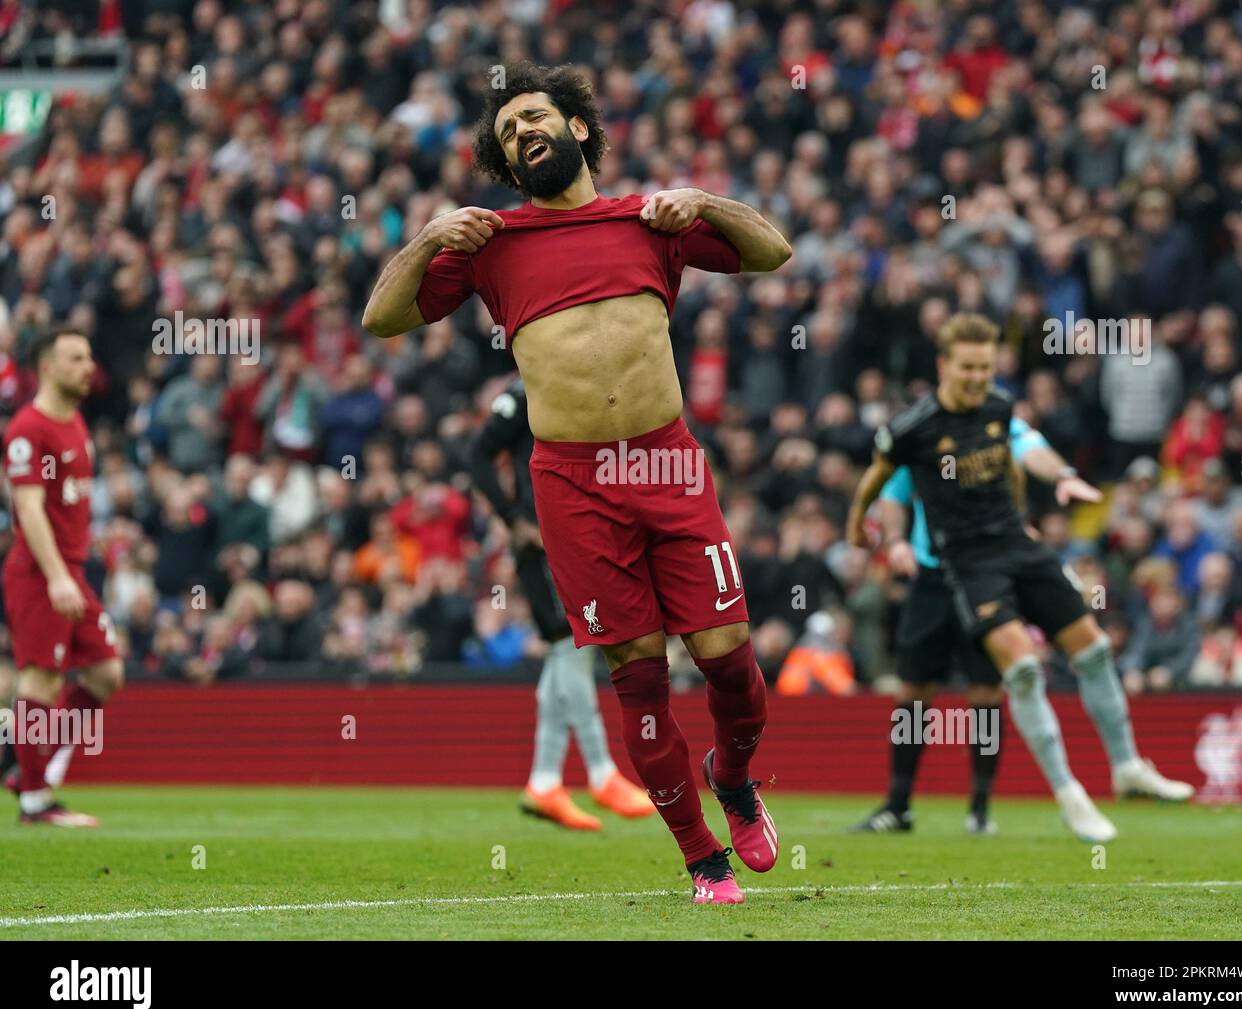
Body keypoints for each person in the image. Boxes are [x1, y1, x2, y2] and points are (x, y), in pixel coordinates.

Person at [363, 62, 792, 903]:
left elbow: (772, 252)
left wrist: (702, 201)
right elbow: (383, 319)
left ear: (579, 130)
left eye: (535, 119)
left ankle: (733, 778)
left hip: (666, 464)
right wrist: (425, 239)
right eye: (509, 133)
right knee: (637, 680)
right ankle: (703, 861)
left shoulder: (649, 219)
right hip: (574, 484)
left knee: (730, 664)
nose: (523, 135)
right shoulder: (494, 247)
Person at [847, 314, 1192, 844]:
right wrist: (867, 535)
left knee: (1082, 654)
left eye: (986, 367)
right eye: (968, 367)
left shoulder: (999, 406)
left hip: (1016, 548)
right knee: (982, 678)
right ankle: (1052, 796)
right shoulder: (913, 430)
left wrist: (1064, 479)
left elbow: (1025, 452)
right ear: (944, 365)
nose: (977, 377)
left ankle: (1109, 772)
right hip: (956, 569)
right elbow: (881, 487)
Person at [468, 377, 653, 830]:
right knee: (574, 642)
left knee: (565, 650)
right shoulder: (524, 390)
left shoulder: (582, 383)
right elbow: (476, 456)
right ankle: (601, 771)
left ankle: (545, 781)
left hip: (580, 533)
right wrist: (513, 519)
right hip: (542, 540)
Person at [0, 326, 125, 826]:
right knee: (41, 680)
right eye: (76, 358)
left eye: (90, 356)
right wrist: (55, 578)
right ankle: (35, 801)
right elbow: (27, 509)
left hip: (70, 570)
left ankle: (21, 762)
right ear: (47, 367)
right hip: (39, 573)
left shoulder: (73, 420)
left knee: (105, 673)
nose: (88, 365)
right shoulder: (29, 429)